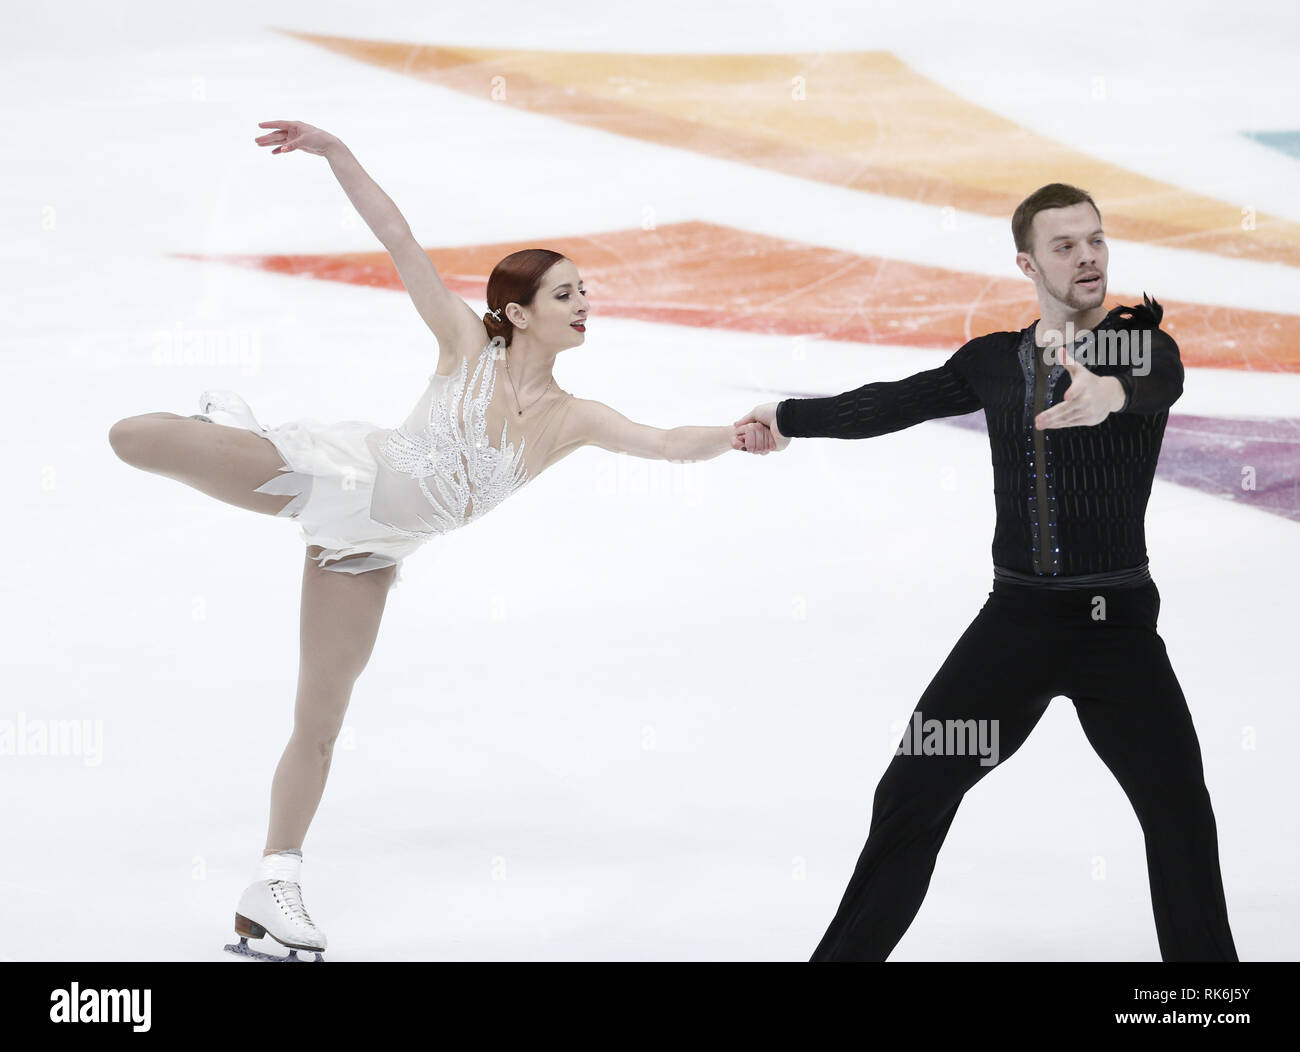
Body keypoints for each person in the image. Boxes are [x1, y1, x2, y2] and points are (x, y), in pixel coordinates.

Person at [108, 120, 768, 961]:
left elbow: (669, 442)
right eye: (565, 294)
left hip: (369, 553)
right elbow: (397, 237)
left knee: (319, 720)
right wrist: (336, 151)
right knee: (132, 437)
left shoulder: (575, 420)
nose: (584, 305)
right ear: (516, 312)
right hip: (330, 477)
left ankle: (272, 885)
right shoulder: (464, 345)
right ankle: (230, 425)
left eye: (585, 292)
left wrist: (741, 432)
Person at [736, 183, 1238, 962]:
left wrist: (1103, 392)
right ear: (1027, 262)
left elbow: (1149, 382)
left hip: (1118, 632)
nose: (1088, 258)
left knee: (1178, 813)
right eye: (1065, 246)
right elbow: (891, 403)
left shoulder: (1137, 345)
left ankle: (1206, 1005)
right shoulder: (993, 363)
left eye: (1096, 240)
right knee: (912, 792)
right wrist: (788, 417)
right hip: (1016, 630)